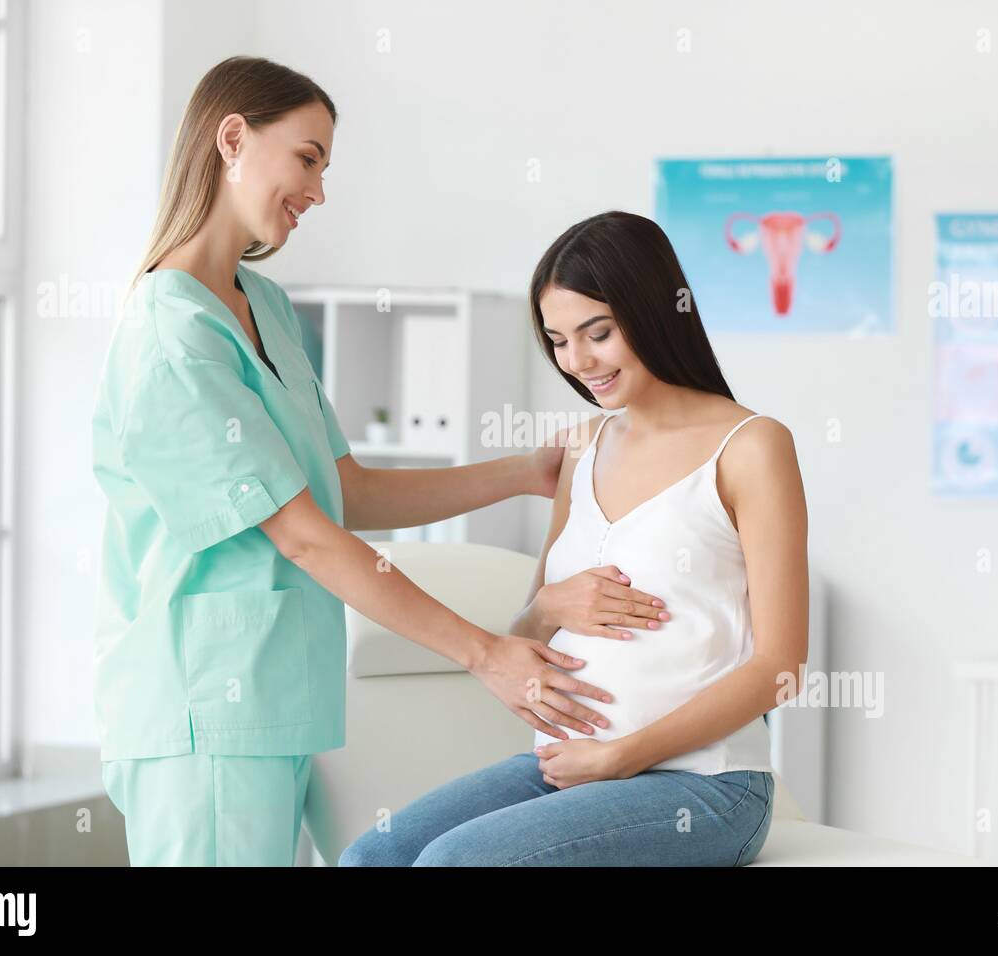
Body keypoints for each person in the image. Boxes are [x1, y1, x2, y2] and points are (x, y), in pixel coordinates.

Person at [91, 57, 623, 866]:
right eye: (307, 158)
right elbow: (305, 535)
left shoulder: (261, 304)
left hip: (279, 701)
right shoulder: (172, 337)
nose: (319, 191)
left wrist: (524, 471)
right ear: (232, 137)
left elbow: (346, 489)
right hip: (203, 711)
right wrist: (485, 653)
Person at [340, 211, 810, 866]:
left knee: (455, 863)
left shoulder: (752, 447)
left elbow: (781, 668)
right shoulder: (581, 448)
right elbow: (527, 636)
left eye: (598, 333)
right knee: (373, 858)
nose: (577, 361)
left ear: (654, 312)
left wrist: (623, 755)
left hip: (704, 785)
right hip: (568, 767)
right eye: (558, 340)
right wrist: (548, 608)